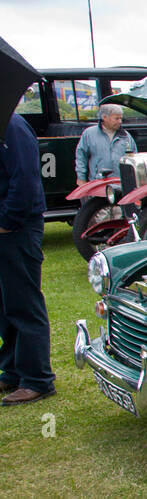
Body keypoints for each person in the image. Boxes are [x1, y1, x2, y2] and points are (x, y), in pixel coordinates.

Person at [0, 112, 56, 405]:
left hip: (16, 229)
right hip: (7, 227)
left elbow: (25, 178)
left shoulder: (12, 126)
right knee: (6, 304)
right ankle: (11, 370)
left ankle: (37, 379)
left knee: (23, 303)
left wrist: (8, 220)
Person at [74, 103, 136, 185]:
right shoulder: (89, 134)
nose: (120, 121)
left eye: (121, 118)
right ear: (104, 117)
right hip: (97, 183)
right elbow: (81, 157)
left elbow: (134, 158)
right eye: (116, 118)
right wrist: (81, 178)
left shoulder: (126, 136)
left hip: (121, 183)